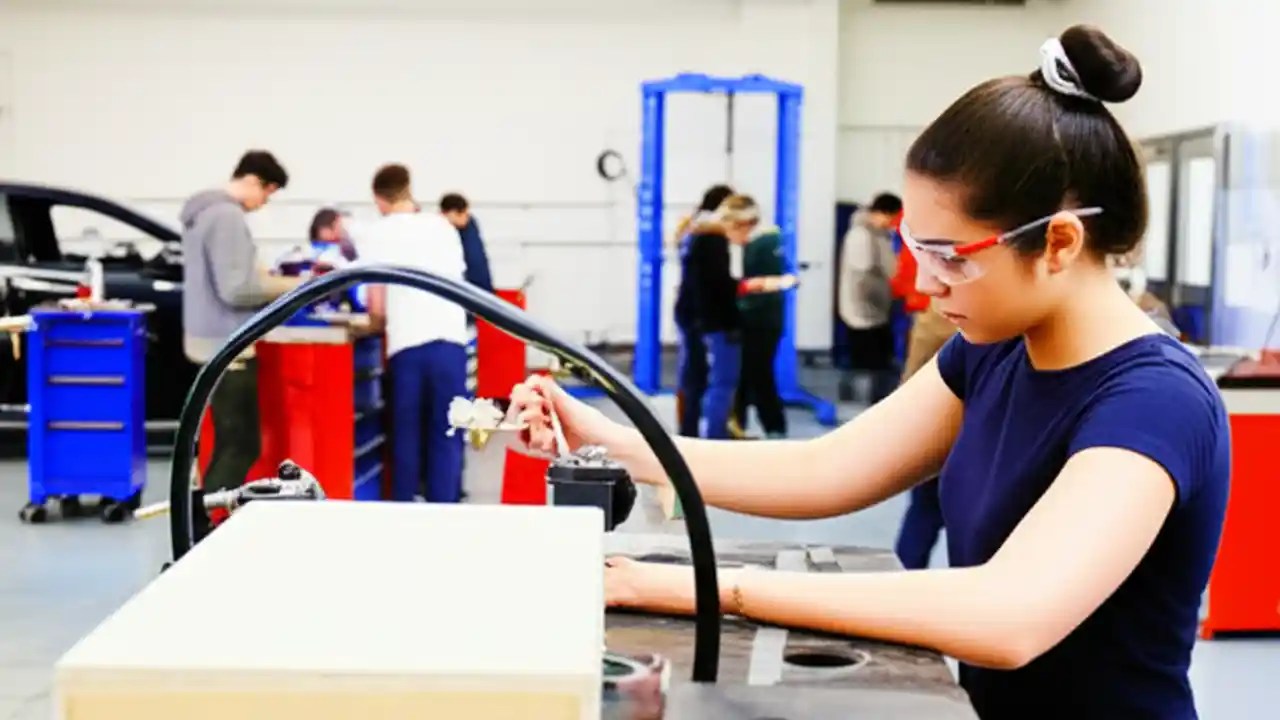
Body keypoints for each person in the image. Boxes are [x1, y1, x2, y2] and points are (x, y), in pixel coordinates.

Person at [510, 26, 1229, 719]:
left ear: (1060, 242)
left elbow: (1010, 614)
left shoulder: (1152, 403)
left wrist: (701, 587)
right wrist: (611, 438)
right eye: (916, 246)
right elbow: (826, 469)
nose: (926, 279)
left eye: (950, 254)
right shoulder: (994, 350)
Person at [180, 150, 301, 493]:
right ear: (252, 180)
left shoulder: (200, 213)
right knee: (241, 445)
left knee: (225, 444)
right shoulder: (225, 216)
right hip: (228, 347)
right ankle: (209, 527)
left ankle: (204, 518)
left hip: (205, 341)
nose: (264, 203)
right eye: (268, 193)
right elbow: (237, 289)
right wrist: (300, 286)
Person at [359, 165, 469, 503]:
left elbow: (376, 302)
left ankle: (405, 514)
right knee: (447, 433)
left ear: (379, 199)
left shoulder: (378, 232)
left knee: (406, 435)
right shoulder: (443, 227)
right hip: (451, 342)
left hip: (408, 346)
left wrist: (375, 320)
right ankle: (444, 511)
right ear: (409, 190)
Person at [673, 184, 734, 437]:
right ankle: (699, 433)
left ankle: (687, 430)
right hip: (700, 316)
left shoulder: (692, 229)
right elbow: (713, 282)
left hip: (687, 311)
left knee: (691, 375)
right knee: (701, 378)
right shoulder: (712, 235)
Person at [838, 193, 902, 405]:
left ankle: (872, 401)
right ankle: (861, 404)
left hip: (876, 309)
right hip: (862, 310)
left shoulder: (879, 234)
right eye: (892, 218)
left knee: (877, 359)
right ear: (881, 213)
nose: (893, 225)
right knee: (865, 361)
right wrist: (881, 299)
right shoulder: (861, 235)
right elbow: (863, 277)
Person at [732, 222, 791, 439]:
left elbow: (745, 285)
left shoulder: (757, 247)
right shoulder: (772, 240)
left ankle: (769, 425)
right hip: (768, 320)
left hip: (755, 319)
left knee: (754, 374)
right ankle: (745, 423)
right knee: (753, 374)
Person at [439, 193, 494, 294]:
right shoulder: (441, 231)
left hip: (476, 289)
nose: (466, 217)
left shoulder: (470, 226)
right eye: (460, 213)